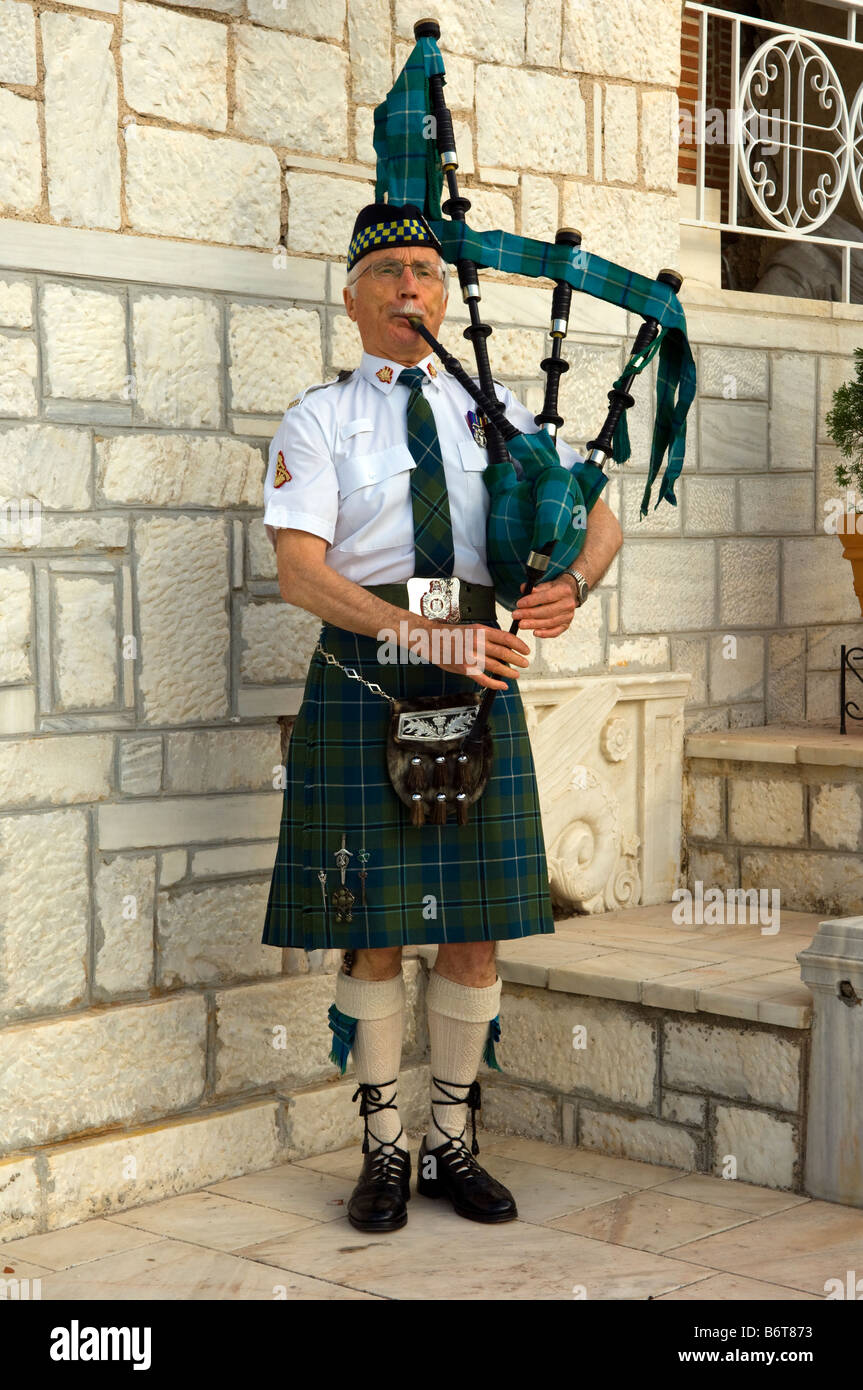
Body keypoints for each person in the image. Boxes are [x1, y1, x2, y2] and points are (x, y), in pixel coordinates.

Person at [261, 201, 623, 1233]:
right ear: (353, 299)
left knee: (471, 938)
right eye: (388, 274)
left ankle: (452, 1147)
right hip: (366, 673)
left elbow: (597, 515)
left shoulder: (493, 407)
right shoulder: (317, 421)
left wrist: (572, 586)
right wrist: (427, 638)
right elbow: (299, 575)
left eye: (424, 270)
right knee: (373, 936)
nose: (410, 288)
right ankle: (383, 1154)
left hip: (478, 680)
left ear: (441, 290)